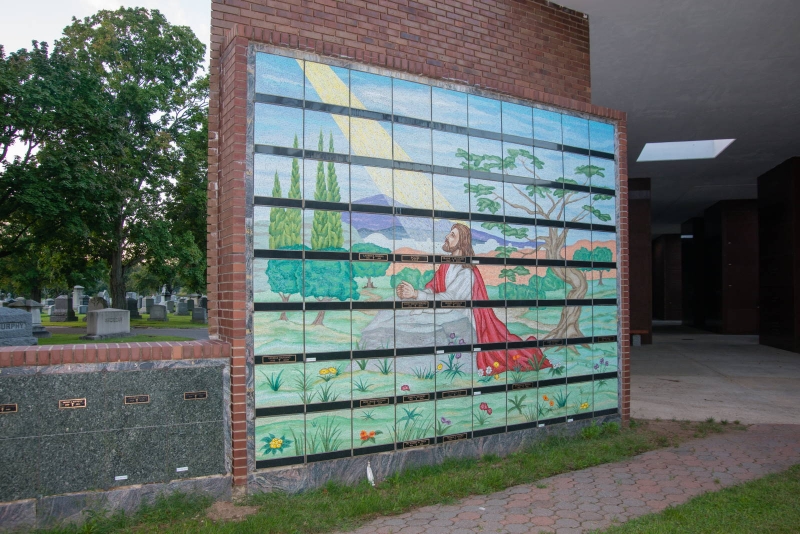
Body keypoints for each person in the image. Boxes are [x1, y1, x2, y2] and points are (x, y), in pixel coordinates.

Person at [360, 223, 551, 376]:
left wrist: (416, 296)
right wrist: (411, 293)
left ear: (462, 242)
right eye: (449, 234)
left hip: (459, 316)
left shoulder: (466, 272)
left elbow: (450, 300)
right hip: (443, 309)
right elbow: (432, 288)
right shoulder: (446, 266)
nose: (447, 238)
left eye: (452, 235)